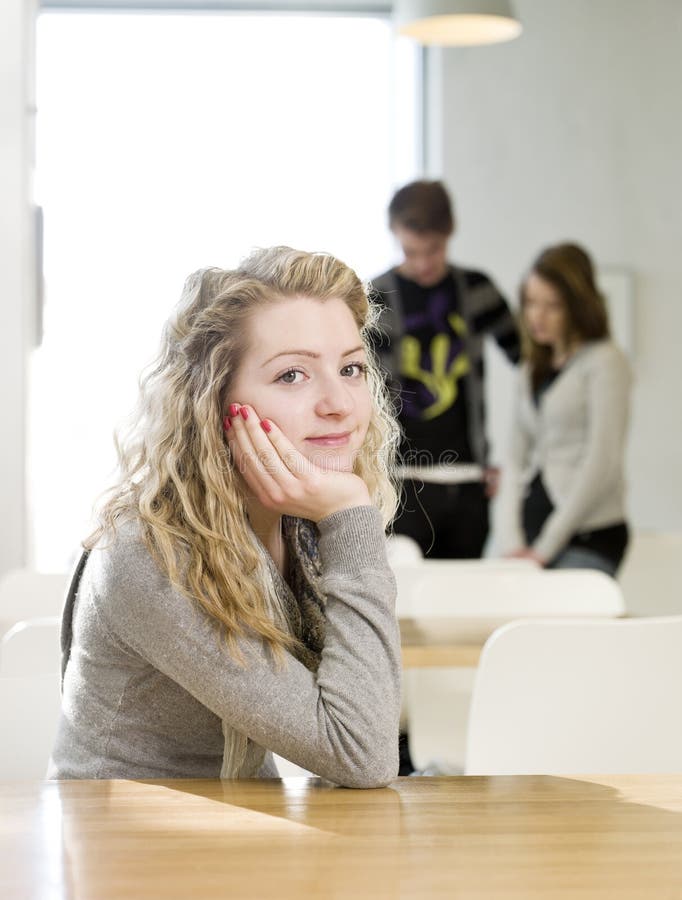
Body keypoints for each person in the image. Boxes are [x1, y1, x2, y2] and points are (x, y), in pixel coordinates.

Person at [48, 246, 403, 787]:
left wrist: (340, 518)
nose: (340, 403)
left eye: (350, 368)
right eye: (292, 375)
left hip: (242, 820)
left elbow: (362, 729)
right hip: (124, 833)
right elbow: (360, 754)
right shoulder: (150, 553)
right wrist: (351, 516)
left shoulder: (300, 519)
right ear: (213, 400)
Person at [371, 179, 520, 559]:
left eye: (433, 250)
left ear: (450, 232)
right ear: (394, 233)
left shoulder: (477, 290)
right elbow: (357, 387)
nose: (423, 264)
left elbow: (532, 361)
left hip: (467, 483)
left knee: (464, 592)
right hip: (400, 482)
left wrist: (518, 459)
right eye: (411, 251)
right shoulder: (375, 298)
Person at [500, 242, 631, 575]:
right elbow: (514, 459)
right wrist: (512, 541)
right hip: (531, 538)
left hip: (589, 535)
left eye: (552, 306)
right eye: (531, 302)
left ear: (578, 306)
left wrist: (544, 549)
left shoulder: (605, 362)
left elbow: (601, 461)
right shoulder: (531, 368)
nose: (537, 316)